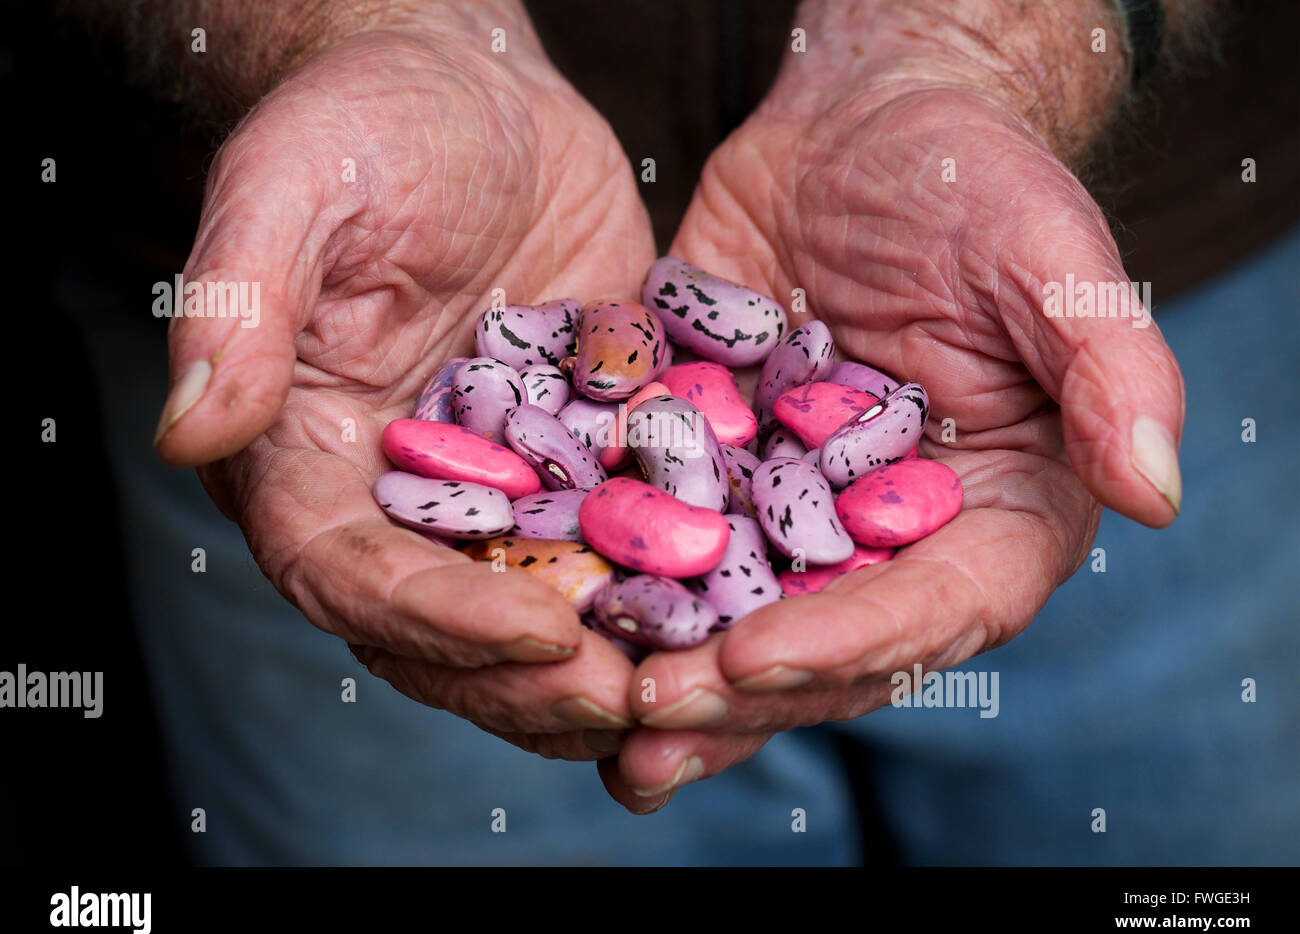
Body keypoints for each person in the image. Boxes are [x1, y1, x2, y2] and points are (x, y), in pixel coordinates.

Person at [55, 0, 1297, 862]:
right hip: (357, 323)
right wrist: (343, 30)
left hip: (1079, 296)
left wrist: (975, 43)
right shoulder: (513, 403)